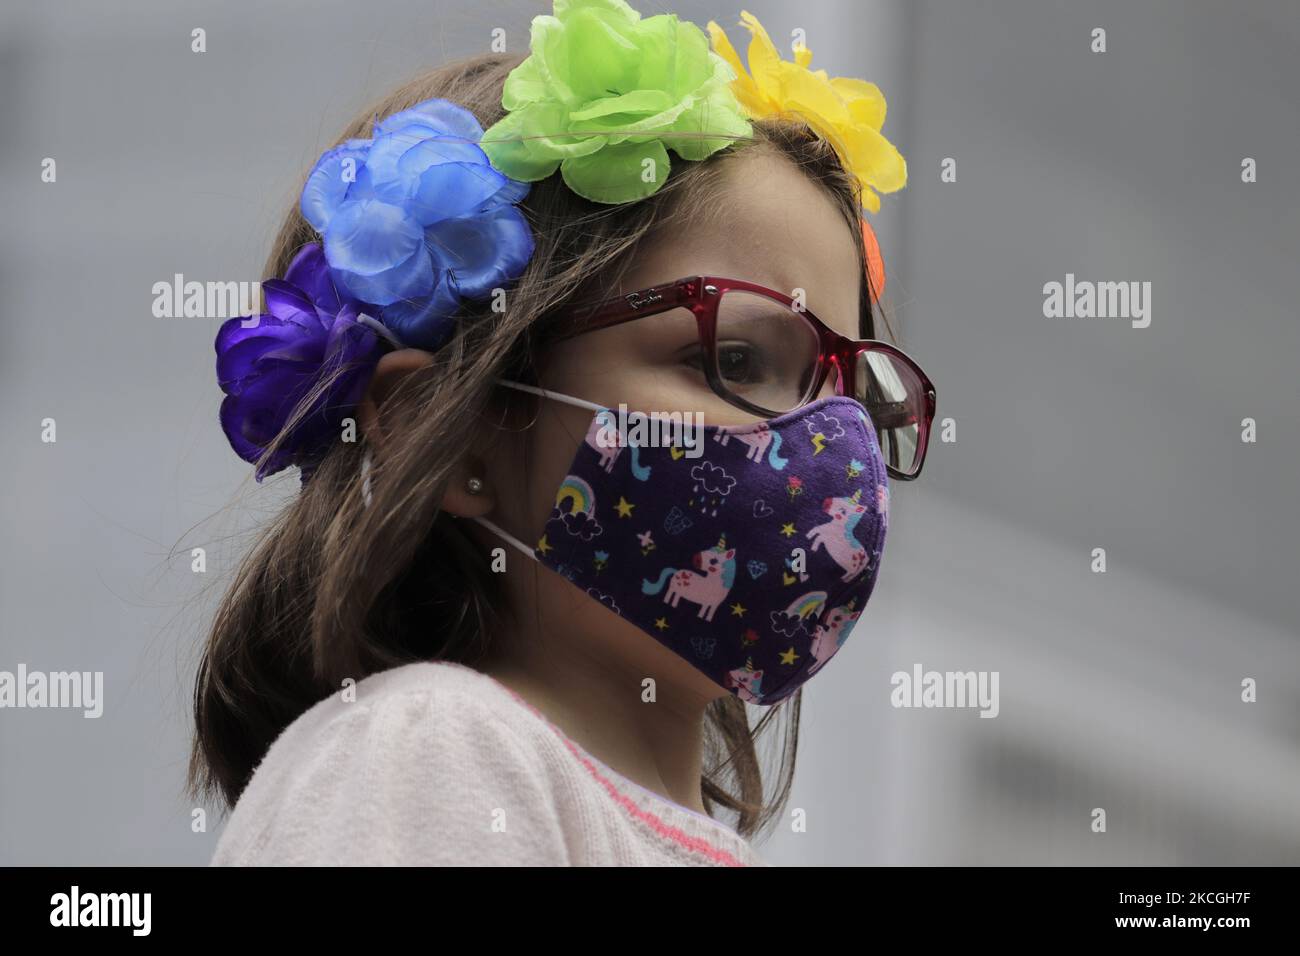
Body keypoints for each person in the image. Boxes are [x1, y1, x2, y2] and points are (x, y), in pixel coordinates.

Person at [194, 1, 934, 866]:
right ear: (450, 427)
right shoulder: (436, 746)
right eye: (736, 358)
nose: (829, 443)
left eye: (847, 388)